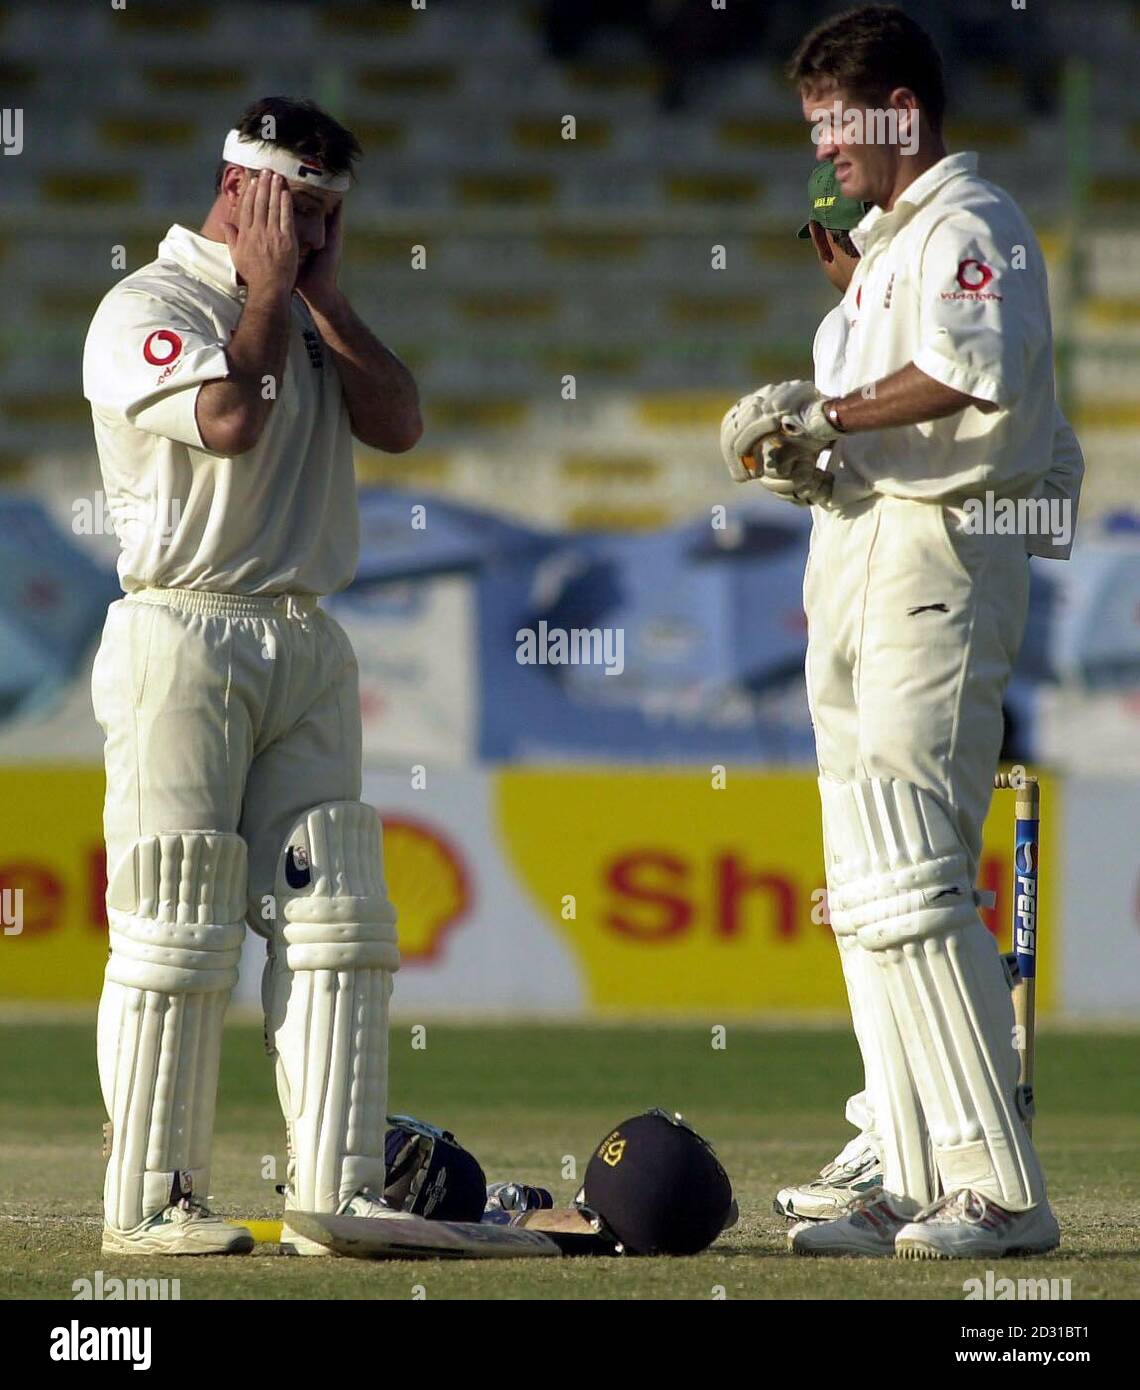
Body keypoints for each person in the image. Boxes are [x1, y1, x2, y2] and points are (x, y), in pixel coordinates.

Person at [720, 5, 1082, 1258]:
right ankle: (906, 1162)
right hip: (865, 558)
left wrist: (828, 415)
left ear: (902, 115)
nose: (822, 148)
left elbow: (971, 377)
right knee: (870, 891)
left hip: (941, 563)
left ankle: (998, 1187)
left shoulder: (974, 228)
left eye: (836, 122)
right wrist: (808, 460)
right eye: (811, 123)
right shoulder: (887, 253)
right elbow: (883, 425)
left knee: (919, 880)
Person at [82, 96, 422, 1255]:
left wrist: (321, 297)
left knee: (335, 919)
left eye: (332, 211)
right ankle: (152, 1199)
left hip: (305, 633)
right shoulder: (148, 305)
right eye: (300, 206)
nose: (317, 229)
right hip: (182, 628)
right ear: (243, 187)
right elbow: (227, 415)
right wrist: (273, 293)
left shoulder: (313, 311)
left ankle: (341, 1192)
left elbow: (402, 421)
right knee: (178, 924)